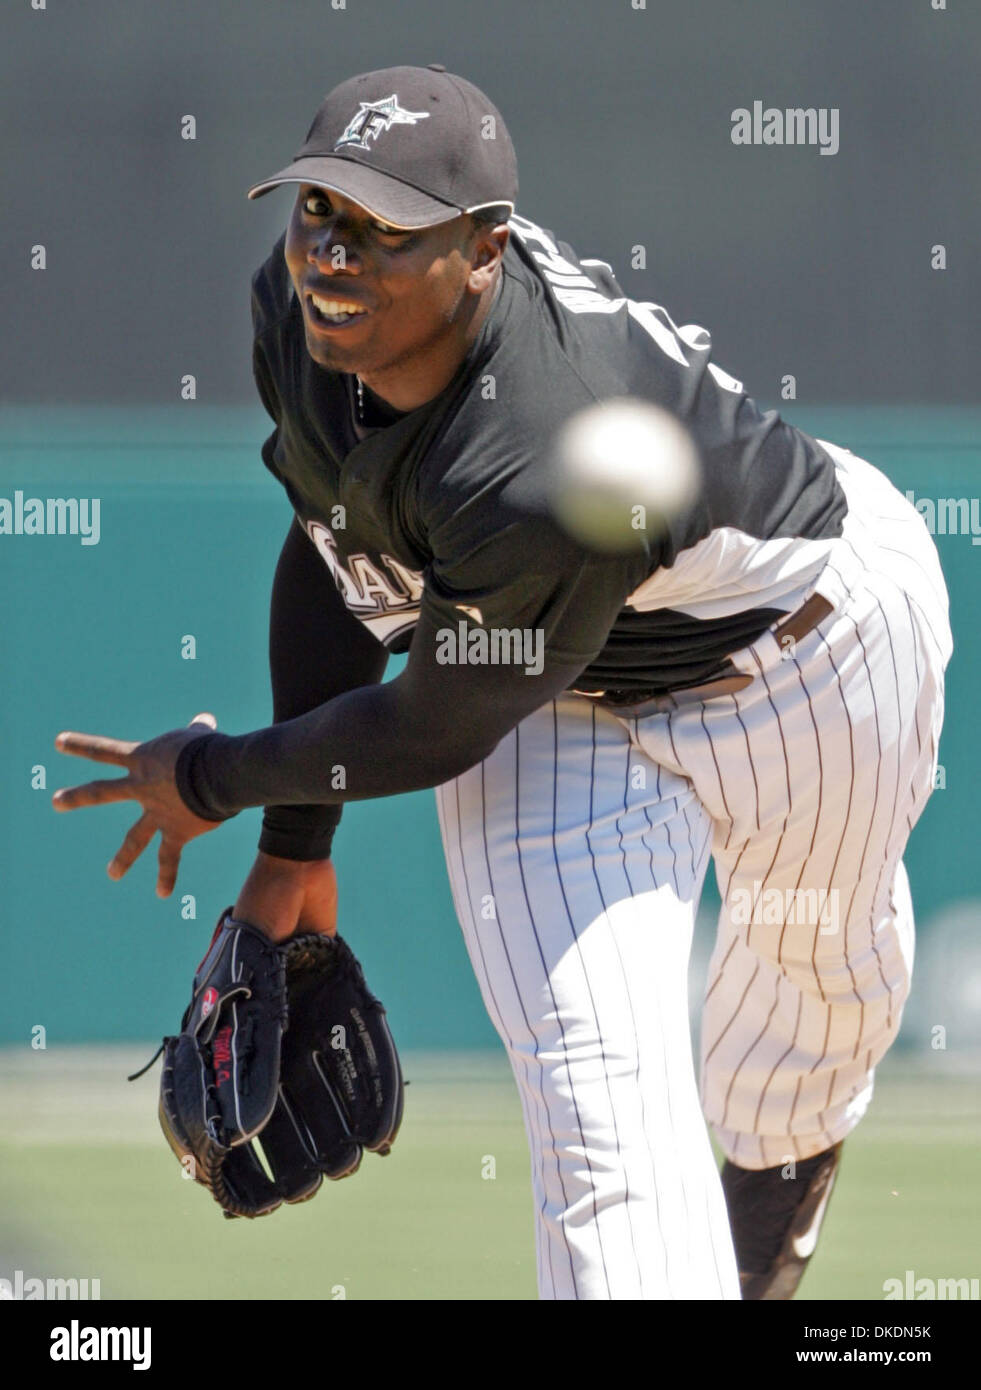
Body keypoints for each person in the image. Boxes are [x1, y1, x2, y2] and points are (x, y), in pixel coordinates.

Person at [52, 64, 951, 1301]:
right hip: (556, 696)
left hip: (810, 646)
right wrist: (289, 851)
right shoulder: (302, 316)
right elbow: (339, 554)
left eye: (384, 228)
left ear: (484, 250)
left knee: (802, 1036)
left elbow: (430, 723)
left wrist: (211, 774)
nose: (333, 253)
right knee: (600, 1110)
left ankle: (768, 1223)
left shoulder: (544, 447)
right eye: (319, 209)